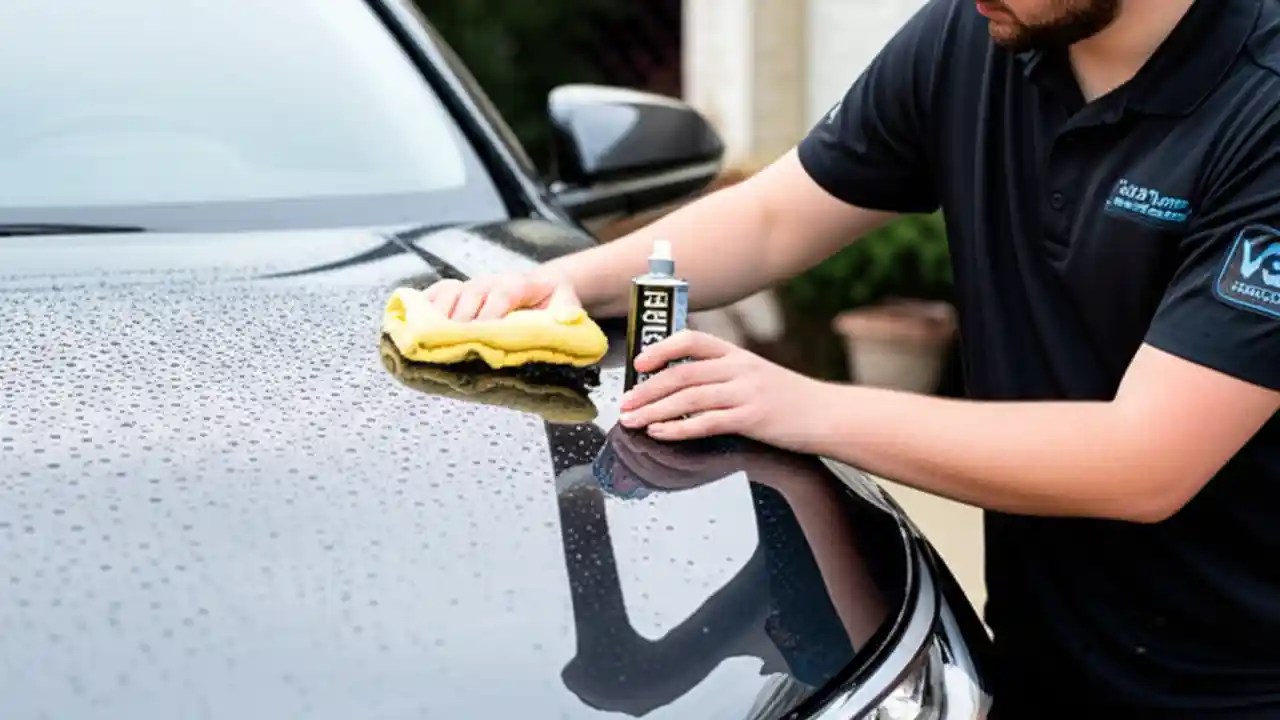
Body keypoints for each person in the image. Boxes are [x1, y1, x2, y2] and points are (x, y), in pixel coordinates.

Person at [424, 0, 1280, 715]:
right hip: (1028, 662)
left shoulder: (1264, 106)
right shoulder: (977, 33)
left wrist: (802, 405)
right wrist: (559, 285)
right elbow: (776, 218)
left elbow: (1147, 460)